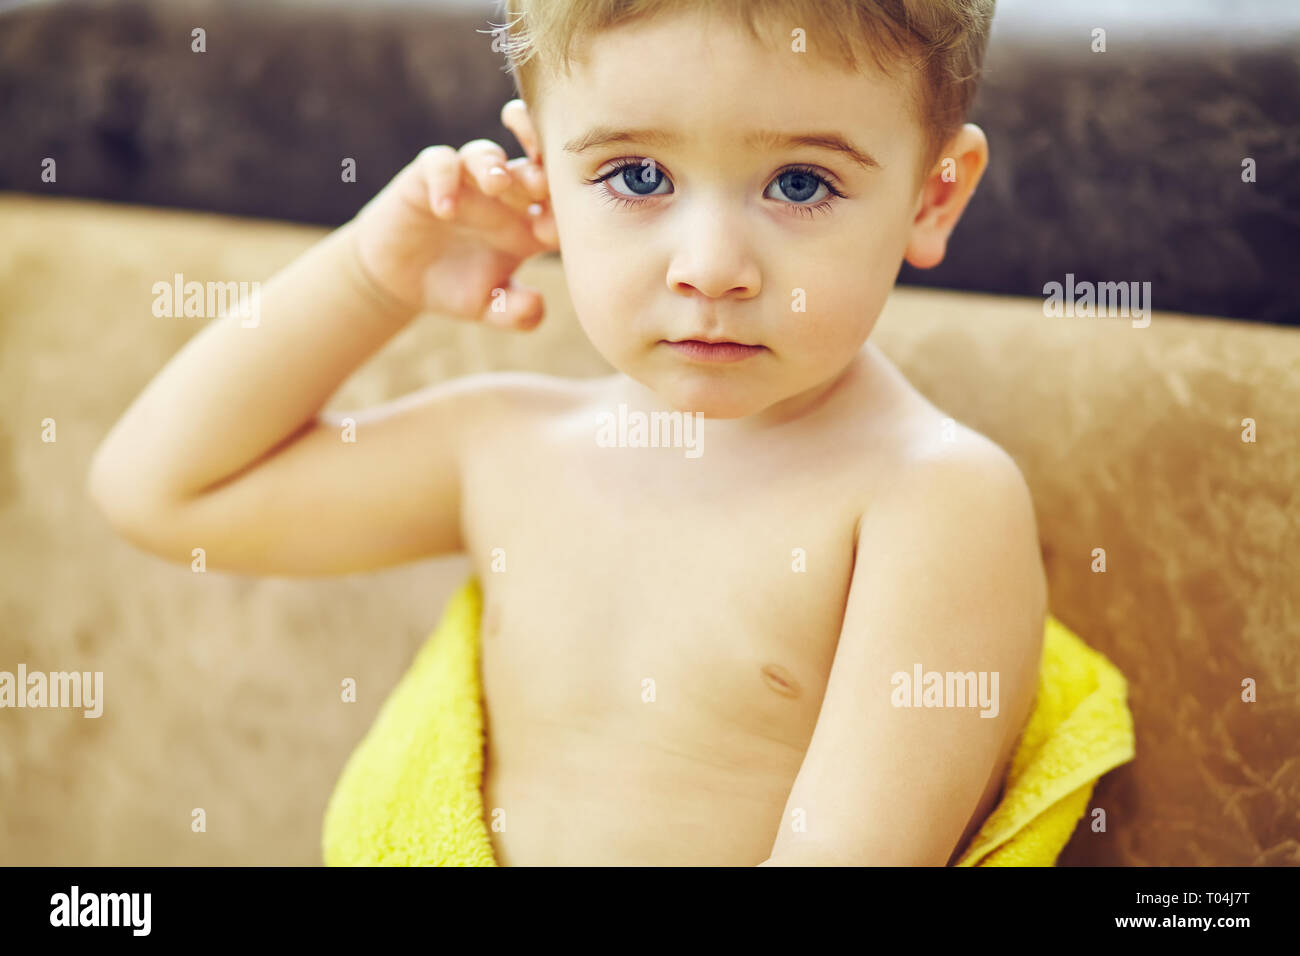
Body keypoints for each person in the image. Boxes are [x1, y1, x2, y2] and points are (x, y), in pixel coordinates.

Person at [89, 0, 1046, 866]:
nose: (711, 268)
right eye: (639, 174)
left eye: (800, 184)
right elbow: (164, 492)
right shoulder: (506, 446)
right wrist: (373, 280)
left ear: (933, 195)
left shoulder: (930, 502)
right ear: (540, 174)